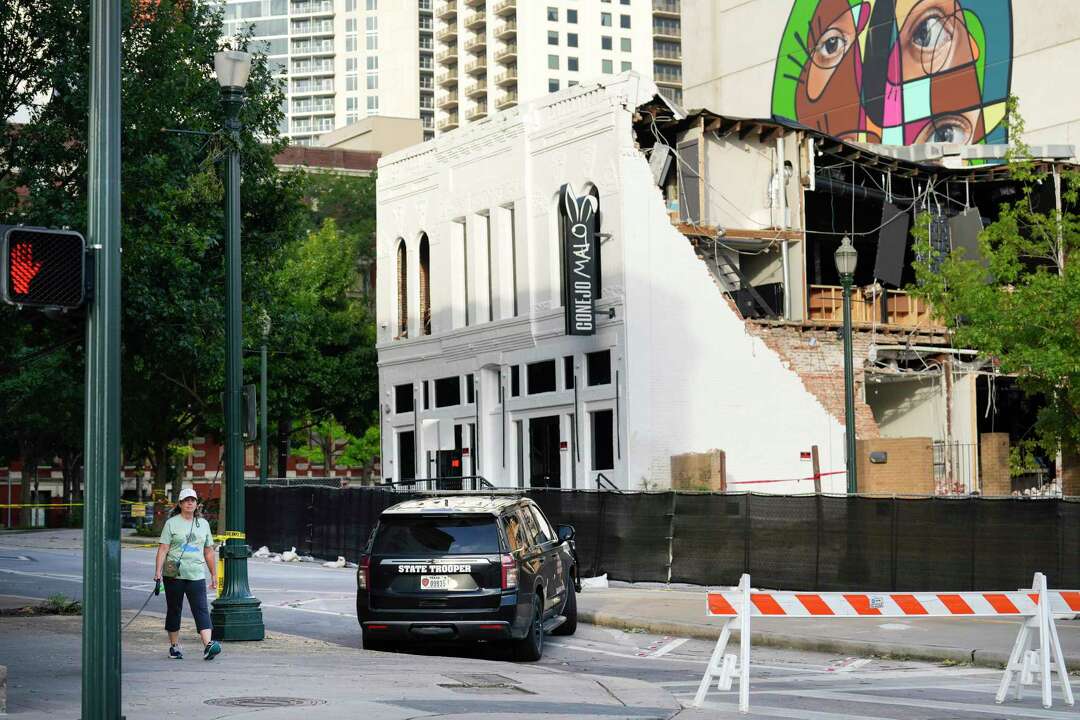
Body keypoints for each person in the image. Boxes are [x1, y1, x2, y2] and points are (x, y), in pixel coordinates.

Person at [153, 487, 221, 661]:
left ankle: (208, 645)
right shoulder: (171, 523)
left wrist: (213, 574)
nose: (190, 503)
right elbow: (163, 549)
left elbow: (208, 552)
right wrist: (158, 572)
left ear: (197, 504)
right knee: (174, 609)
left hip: (196, 574)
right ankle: (174, 647)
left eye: (193, 500)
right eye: (186, 500)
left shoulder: (203, 524)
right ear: (180, 504)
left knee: (201, 609)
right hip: (173, 573)